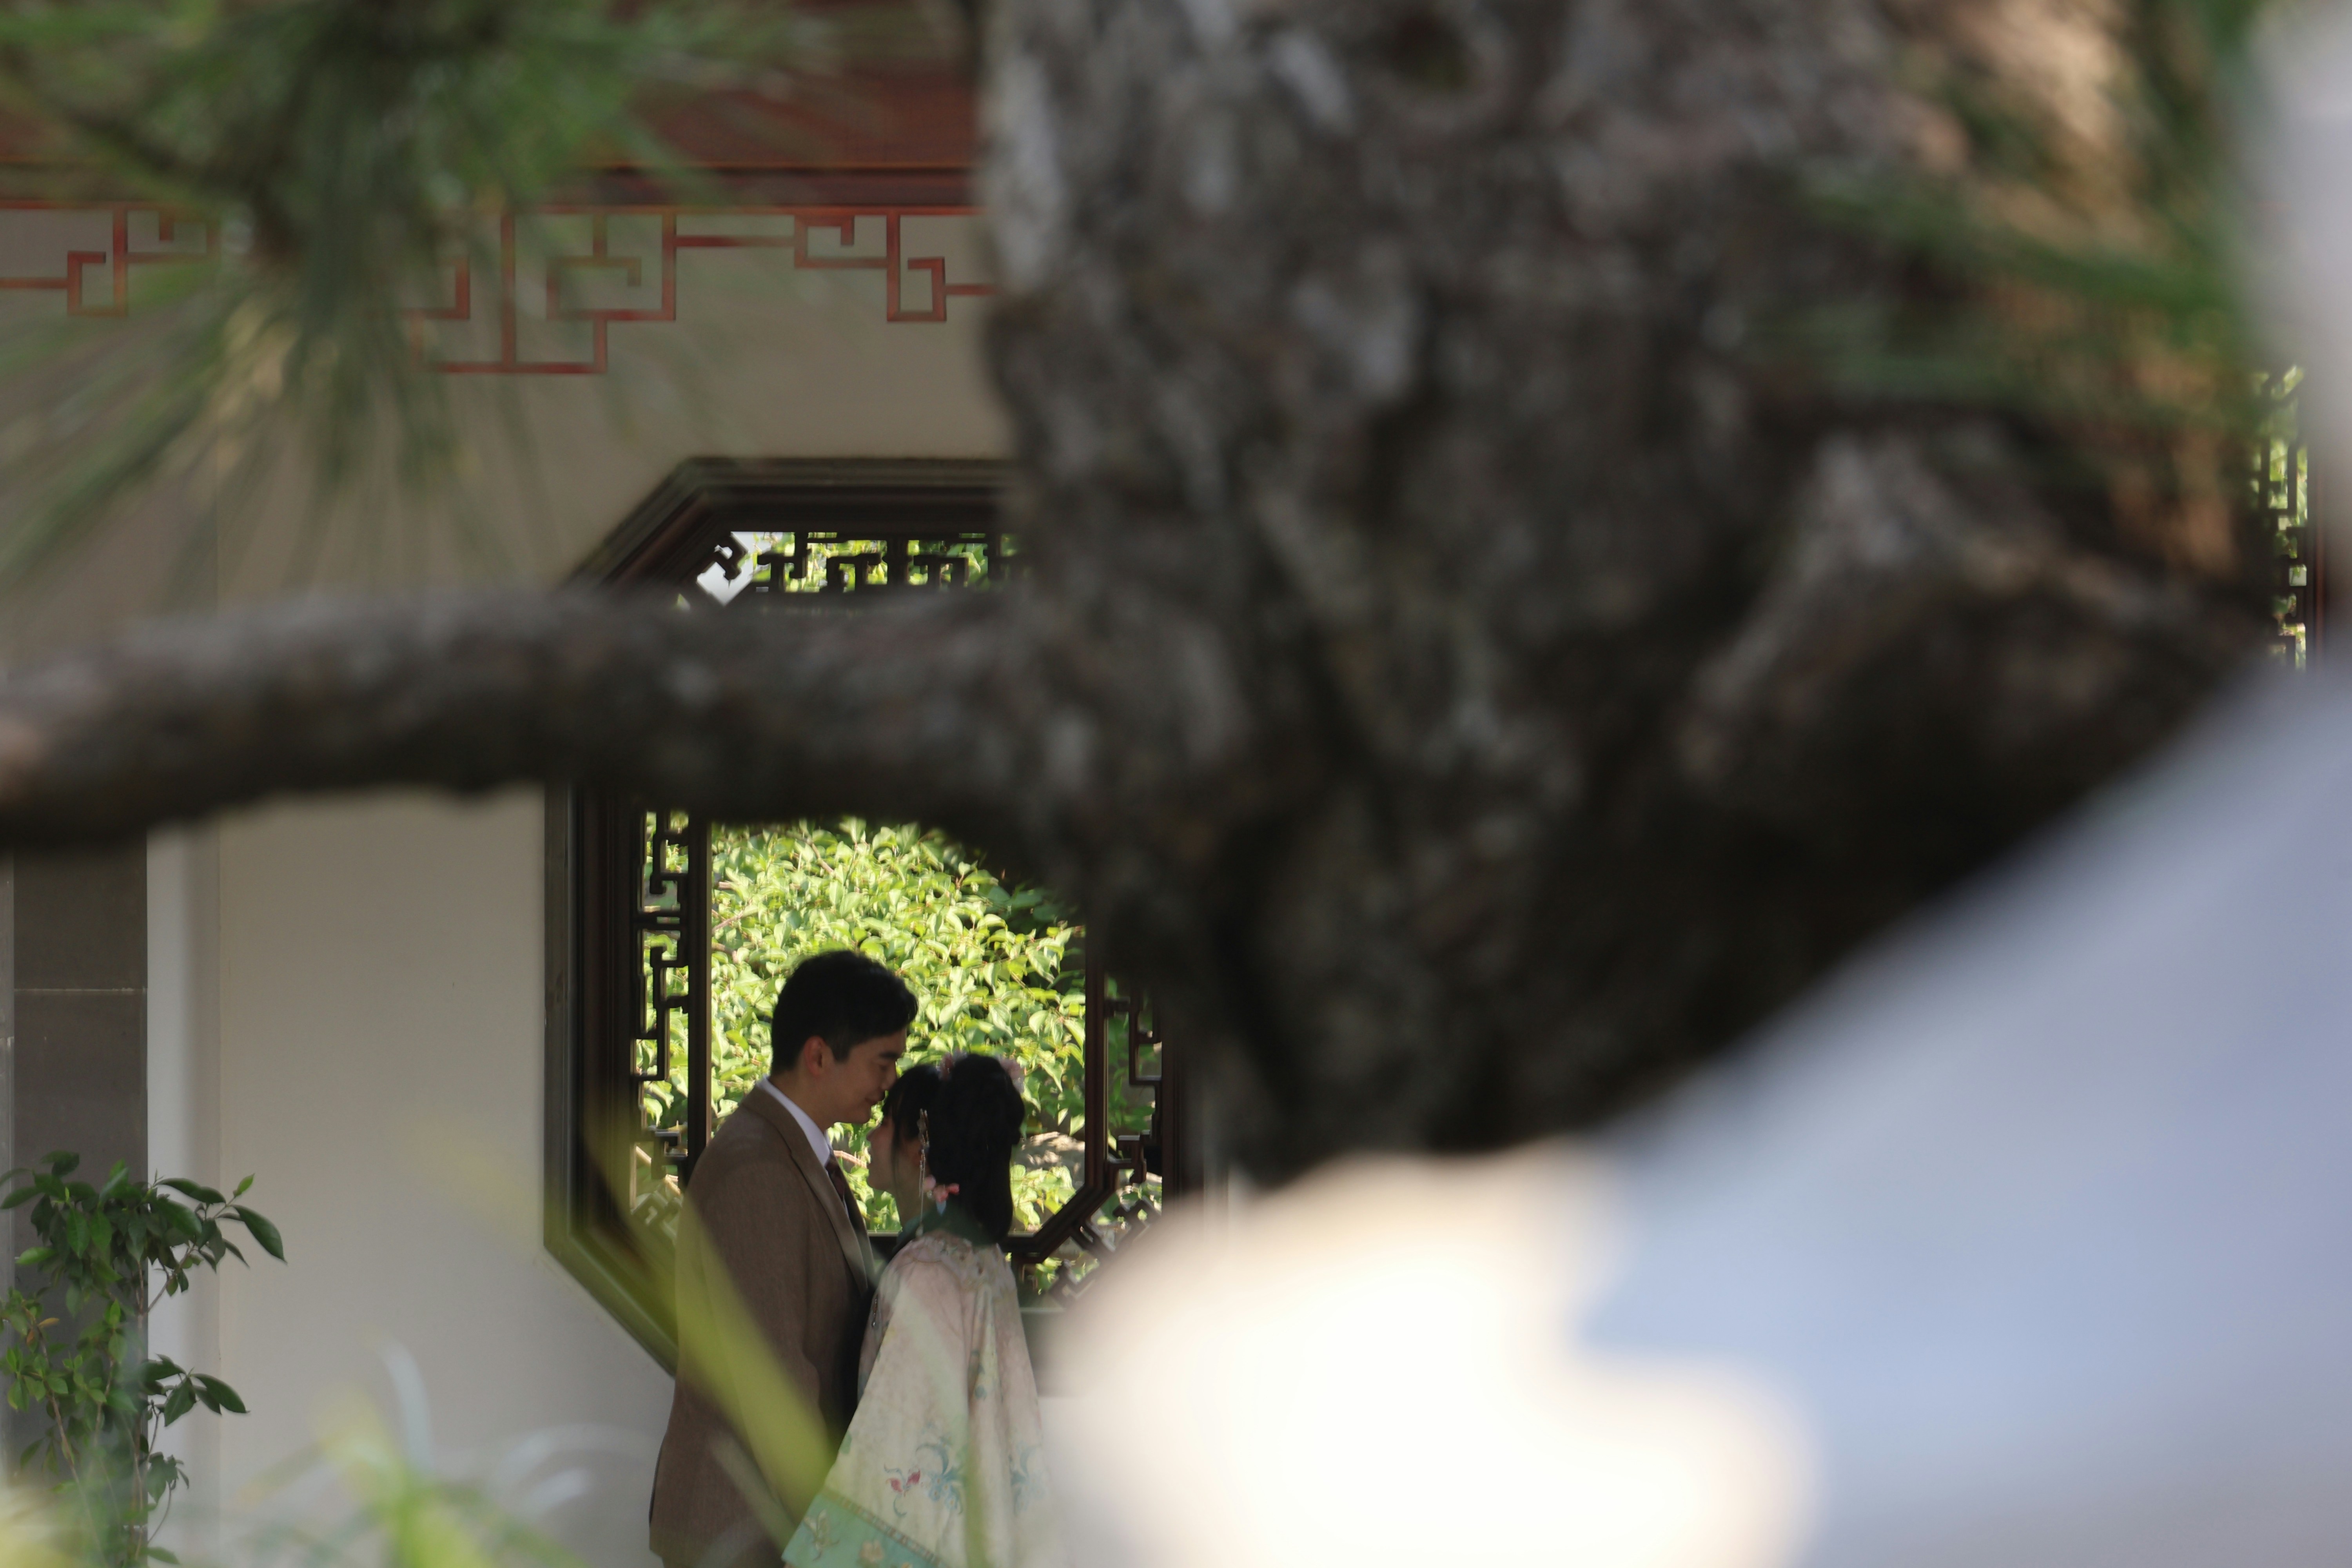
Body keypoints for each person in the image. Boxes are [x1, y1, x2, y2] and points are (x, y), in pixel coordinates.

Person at [650, 950, 915, 1568]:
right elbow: (775, 1381)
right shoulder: (758, 1169)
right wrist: (837, 1541)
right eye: (883, 1062)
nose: (890, 1082)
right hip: (742, 1530)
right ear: (819, 1056)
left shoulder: (794, 1151)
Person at [783, 1054, 1067, 1568]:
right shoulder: (980, 1257)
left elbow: (899, 1443)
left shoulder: (927, 1272)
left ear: (919, 1146)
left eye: (885, 1123)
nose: (872, 1138)